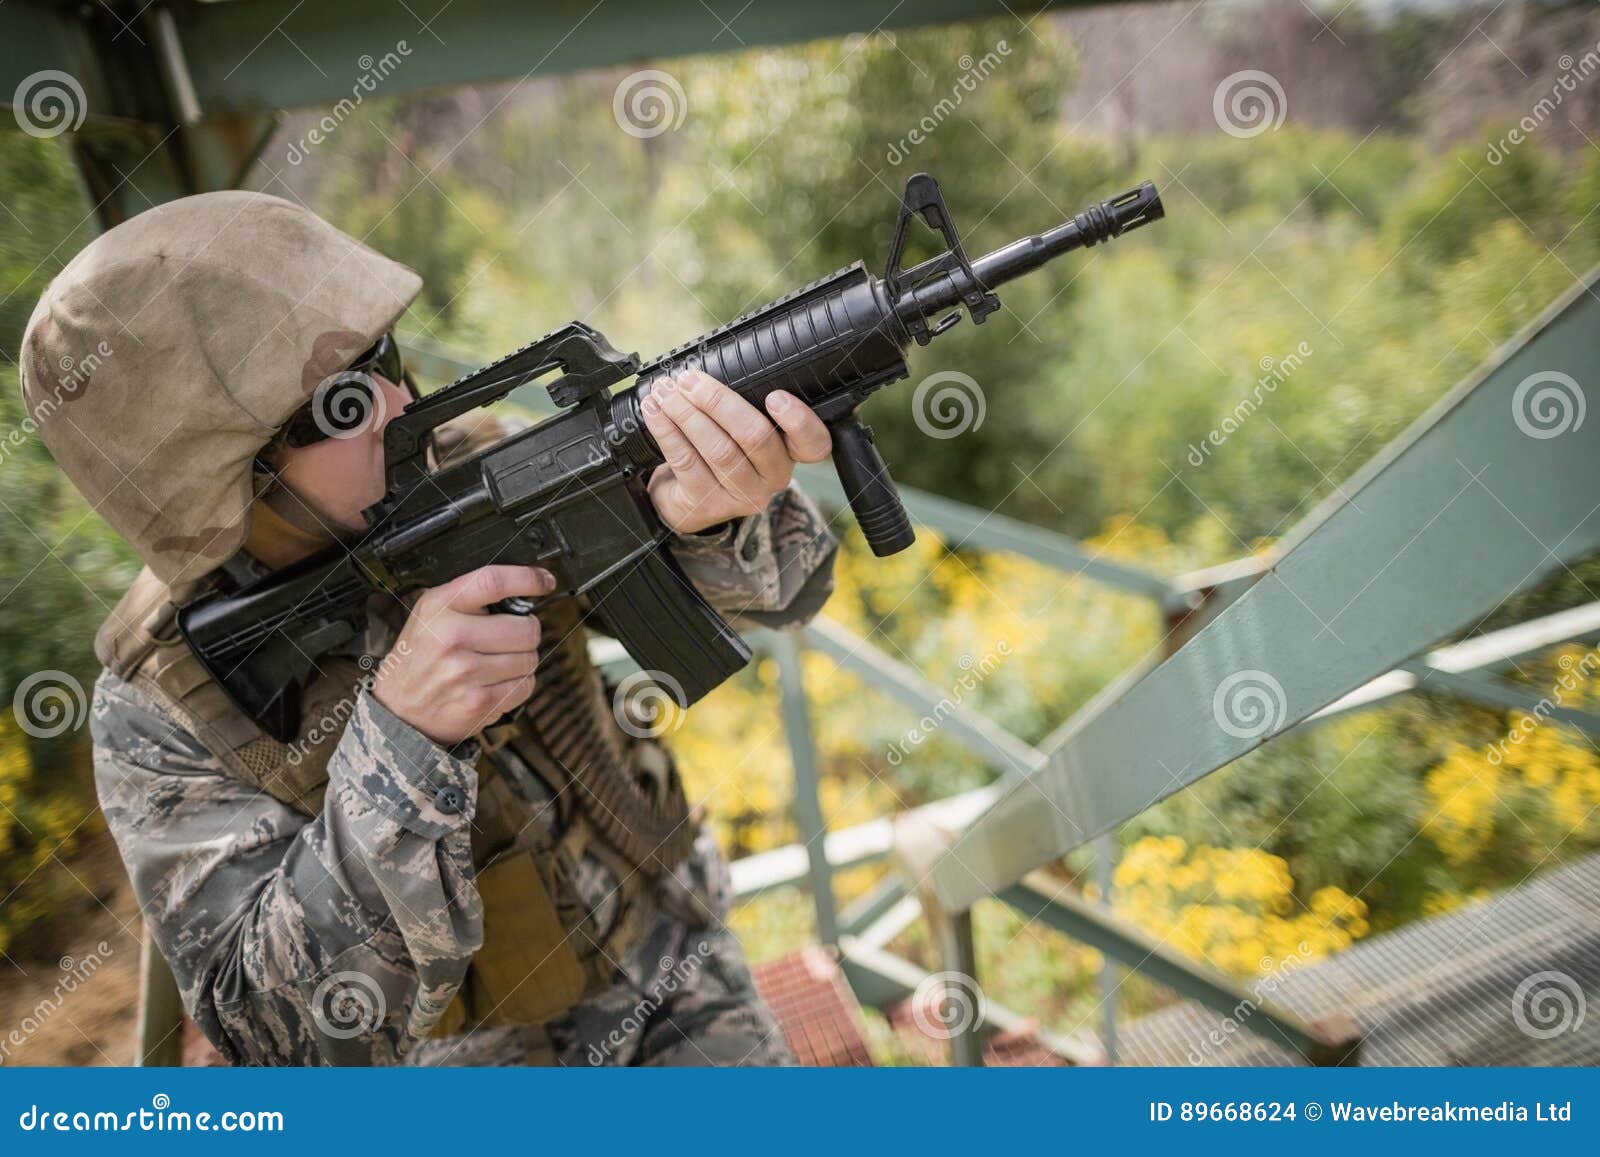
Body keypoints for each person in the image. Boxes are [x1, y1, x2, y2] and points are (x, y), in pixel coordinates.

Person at [19, 190, 839, 1066]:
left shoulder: (472, 462)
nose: (394, 402)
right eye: (334, 406)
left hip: (671, 956)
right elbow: (272, 1031)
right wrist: (401, 741)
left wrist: (710, 517)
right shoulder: (166, 701)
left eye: (381, 354)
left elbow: (793, 594)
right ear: (216, 485)